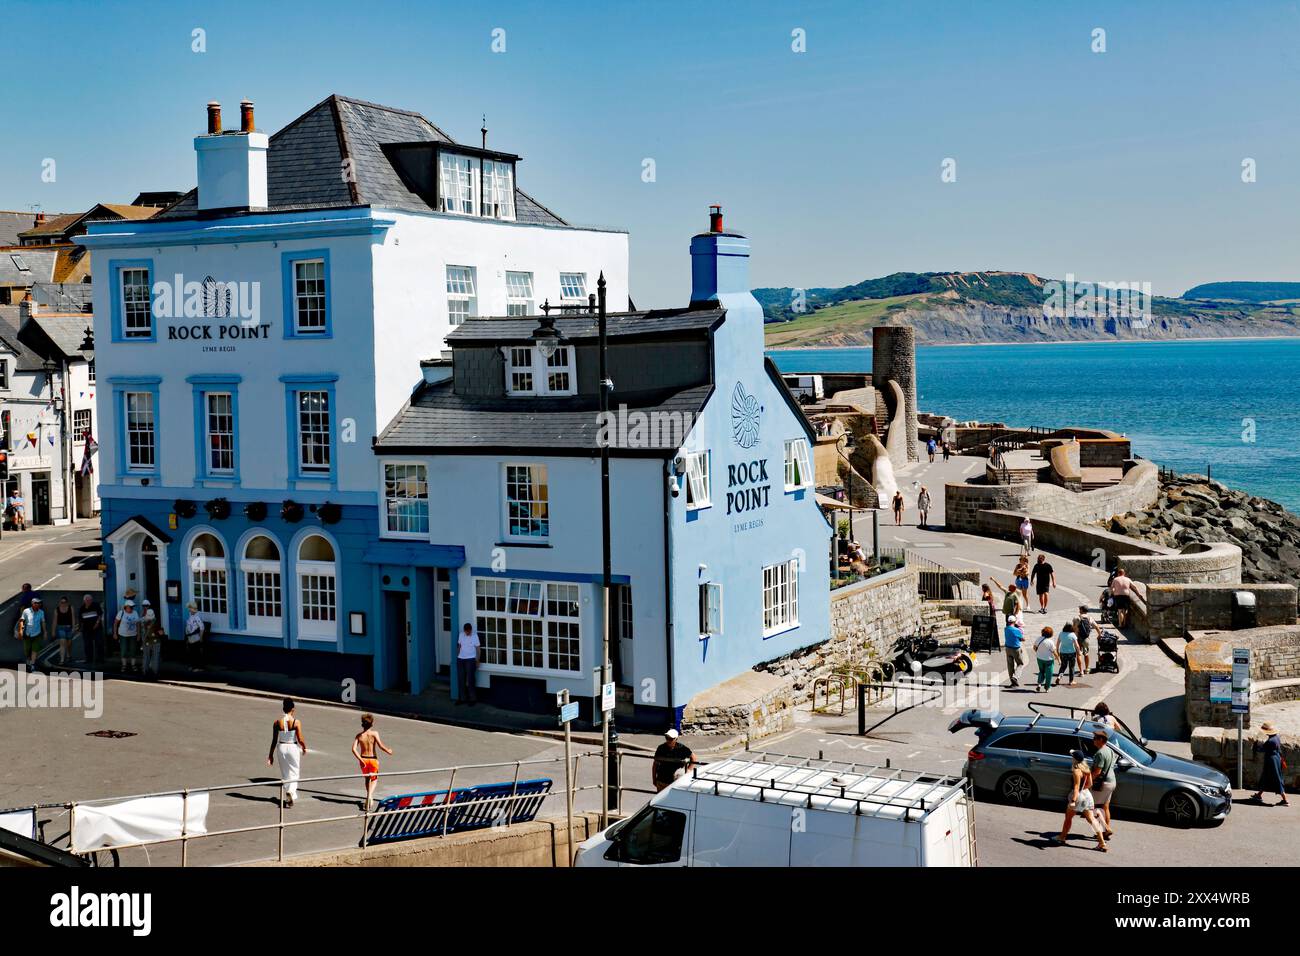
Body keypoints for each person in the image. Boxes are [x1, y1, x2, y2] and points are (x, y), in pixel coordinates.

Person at [1055, 750, 1108, 851]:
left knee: (1068, 818)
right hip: (1087, 795)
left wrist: (1074, 800)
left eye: (1072, 756)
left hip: (1078, 796)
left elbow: (1076, 787)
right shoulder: (1086, 769)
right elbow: (1090, 784)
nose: (1071, 758)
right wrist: (1083, 791)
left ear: (1074, 759)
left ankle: (1062, 837)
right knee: (1092, 819)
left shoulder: (1076, 770)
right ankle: (1102, 843)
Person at [267, 698, 307, 808]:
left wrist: (270, 755)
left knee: (285, 773)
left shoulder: (276, 722)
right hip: (292, 747)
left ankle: (289, 795)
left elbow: (274, 740)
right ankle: (291, 792)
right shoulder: (296, 722)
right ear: (293, 709)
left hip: (281, 748)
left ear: (283, 708)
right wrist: (304, 747)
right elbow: (300, 738)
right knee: (294, 771)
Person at [352, 714, 393, 812]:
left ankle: (368, 796)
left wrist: (360, 760)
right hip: (373, 759)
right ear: (372, 724)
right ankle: (370, 796)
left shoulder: (359, 736)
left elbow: (353, 749)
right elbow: (381, 746)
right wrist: (389, 751)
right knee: (374, 778)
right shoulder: (374, 733)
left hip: (364, 759)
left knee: (367, 779)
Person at [1251, 722, 1290, 806]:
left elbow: (1261, 749)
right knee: (1266, 777)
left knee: (1276, 779)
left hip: (1271, 761)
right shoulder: (1277, 737)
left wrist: (1255, 745)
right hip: (1277, 759)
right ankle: (1259, 795)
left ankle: (1285, 800)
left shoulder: (1270, 741)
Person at [1088, 729, 1118, 838]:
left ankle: (1103, 830)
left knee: (1093, 807)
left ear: (1101, 740)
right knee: (1105, 807)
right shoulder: (1109, 750)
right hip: (1112, 782)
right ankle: (1105, 832)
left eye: (1095, 738)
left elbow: (1097, 771)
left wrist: (1088, 782)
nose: (1093, 740)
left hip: (1102, 784)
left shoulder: (1100, 753)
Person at [114, 598, 141, 673]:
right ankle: (124, 665)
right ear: (126, 607)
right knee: (124, 650)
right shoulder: (121, 613)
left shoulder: (135, 613)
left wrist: (139, 634)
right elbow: (115, 623)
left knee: (133, 650)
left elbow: (138, 624)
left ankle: (133, 665)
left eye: (133, 607)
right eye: (130, 607)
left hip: (133, 634)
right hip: (123, 635)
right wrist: (115, 633)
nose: (132, 608)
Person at [18, 595, 46, 669]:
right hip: (27, 634)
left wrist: (45, 631)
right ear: (32, 603)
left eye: (39, 603)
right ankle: (28, 658)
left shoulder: (41, 612)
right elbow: (22, 621)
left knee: (34, 650)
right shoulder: (26, 611)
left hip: (37, 634)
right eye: (36, 603)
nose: (38, 604)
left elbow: (43, 622)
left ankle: (32, 664)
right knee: (27, 650)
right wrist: (21, 631)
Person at [77, 594, 104, 669]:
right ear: (84, 601)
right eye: (87, 600)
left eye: (89, 600)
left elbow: (100, 615)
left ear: (91, 600)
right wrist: (80, 628)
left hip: (97, 628)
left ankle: (100, 659)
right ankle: (89, 659)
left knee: (99, 643)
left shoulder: (96, 605)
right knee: (87, 645)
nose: (88, 601)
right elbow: (80, 619)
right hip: (86, 630)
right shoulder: (82, 608)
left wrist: (97, 623)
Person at [457, 622, 480, 704]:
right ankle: (462, 698)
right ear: (464, 630)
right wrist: (458, 656)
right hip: (461, 659)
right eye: (466, 631)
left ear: (471, 630)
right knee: (461, 679)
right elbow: (459, 646)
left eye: (469, 631)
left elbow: (478, 648)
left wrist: (477, 660)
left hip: (470, 659)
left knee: (470, 679)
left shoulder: (474, 636)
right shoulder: (461, 635)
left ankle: (472, 699)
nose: (467, 633)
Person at [140, 600, 162, 679]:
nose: (145, 607)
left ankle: (145, 672)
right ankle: (155, 672)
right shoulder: (156, 622)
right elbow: (160, 633)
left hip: (146, 641)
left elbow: (141, 631)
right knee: (155, 657)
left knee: (146, 656)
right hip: (155, 641)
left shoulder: (143, 621)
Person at [1034, 626, 1058, 693]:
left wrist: (1039, 652)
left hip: (1039, 658)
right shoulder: (1050, 642)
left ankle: (1039, 684)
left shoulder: (1039, 639)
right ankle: (1047, 688)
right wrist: (1058, 659)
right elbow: (1054, 652)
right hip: (1049, 660)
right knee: (1048, 674)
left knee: (1041, 671)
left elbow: (1034, 647)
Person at [1003, 614, 1026, 687]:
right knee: (1020, 663)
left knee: (1010, 665)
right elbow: (1022, 639)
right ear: (1014, 621)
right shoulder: (1017, 630)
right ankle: (1015, 677)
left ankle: (1012, 682)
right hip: (1016, 649)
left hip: (1007, 648)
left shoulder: (1006, 629)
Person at [1073, 605, 1097, 674]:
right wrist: (1099, 635)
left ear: (1081, 610)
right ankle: (1086, 669)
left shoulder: (1077, 618)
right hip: (1086, 638)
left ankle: (1081, 671)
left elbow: (1073, 628)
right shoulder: (1090, 618)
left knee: (1078, 654)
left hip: (1077, 638)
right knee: (1086, 654)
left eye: (1079, 609)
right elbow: (1096, 627)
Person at [52, 596, 75, 667]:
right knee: (62, 643)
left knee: (69, 643)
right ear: (60, 603)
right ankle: (62, 660)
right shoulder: (57, 610)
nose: (63, 603)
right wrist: (53, 631)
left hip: (69, 627)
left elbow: (73, 618)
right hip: (60, 628)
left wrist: (73, 627)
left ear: (67, 603)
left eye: (65, 602)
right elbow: (55, 621)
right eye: (62, 602)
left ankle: (69, 655)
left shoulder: (71, 608)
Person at [183, 601, 205, 671]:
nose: (189, 610)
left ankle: (197, 667)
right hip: (190, 638)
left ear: (193, 608)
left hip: (195, 638)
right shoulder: (192, 616)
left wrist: (201, 638)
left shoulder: (197, 617)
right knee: (192, 653)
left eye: (189, 608)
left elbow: (202, 627)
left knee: (196, 653)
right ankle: (193, 666)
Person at [1057, 622, 1080, 686]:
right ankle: (1071, 681)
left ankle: (1059, 676)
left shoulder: (1061, 634)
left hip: (1062, 652)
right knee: (1071, 667)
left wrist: (1057, 650)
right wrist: (1079, 652)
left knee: (1063, 666)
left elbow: (1058, 643)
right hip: (1071, 652)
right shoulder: (1073, 634)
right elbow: (1077, 645)